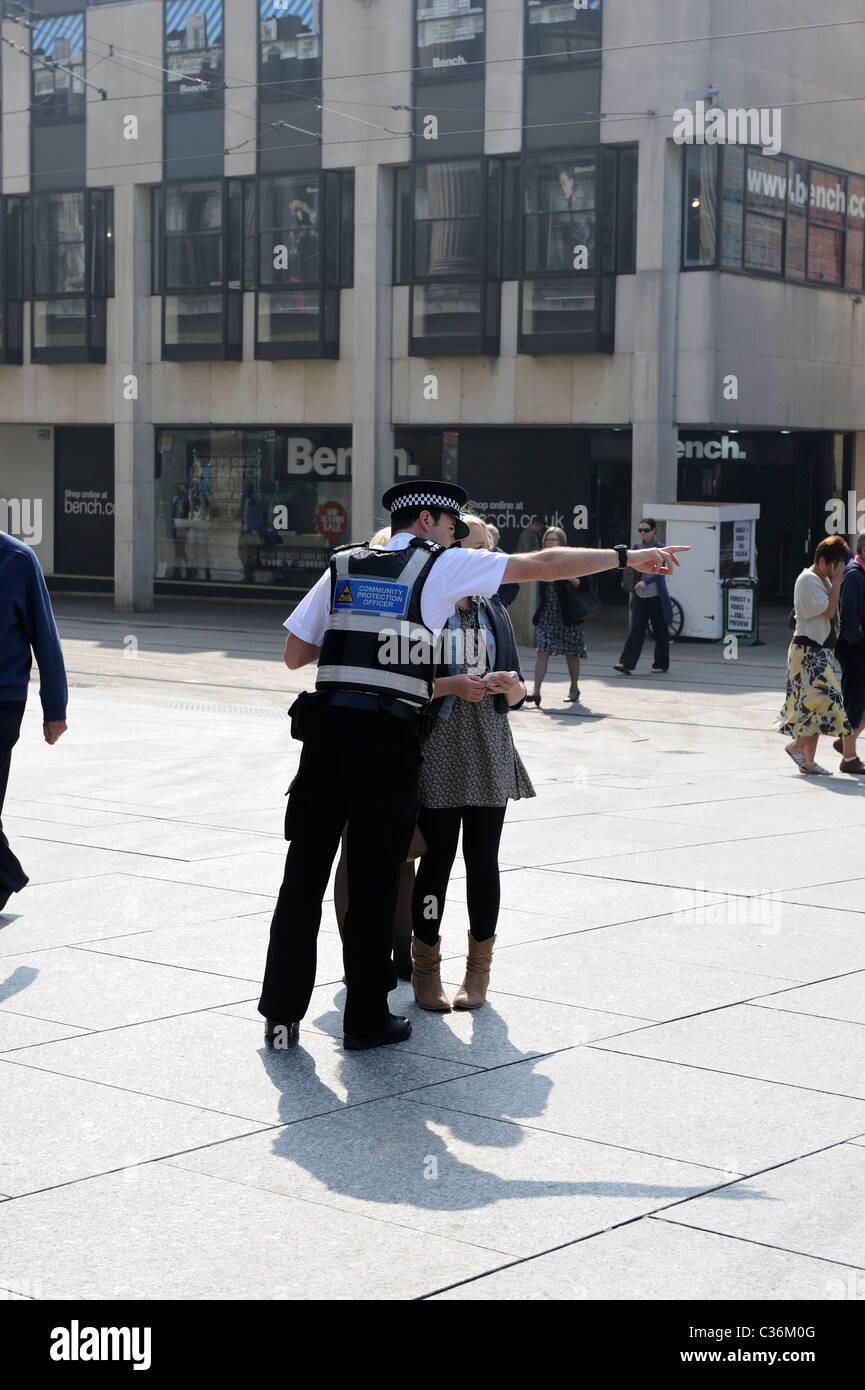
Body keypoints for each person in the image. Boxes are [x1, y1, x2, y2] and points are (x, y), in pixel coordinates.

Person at [257, 479, 688, 1051]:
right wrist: (627, 557)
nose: (457, 540)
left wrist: (360, 636)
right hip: (385, 743)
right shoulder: (440, 566)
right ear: (431, 521)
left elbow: (294, 655)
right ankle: (364, 1020)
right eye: (452, 529)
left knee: (303, 878)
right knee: (373, 882)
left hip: (326, 738)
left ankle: (283, 1019)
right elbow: (544, 564)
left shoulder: (343, 564)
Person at [411, 516, 534, 1013]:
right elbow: (403, 680)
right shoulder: (428, 604)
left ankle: (478, 972)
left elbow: (522, 693)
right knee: (436, 861)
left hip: (488, 741)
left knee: (483, 860)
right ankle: (425, 968)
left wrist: (511, 688)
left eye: (488, 552)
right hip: (439, 742)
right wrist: (451, 686)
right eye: (473, 550)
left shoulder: (495, 612)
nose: (482, 561)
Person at [0, 531, 68, 913]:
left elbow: (45, 636)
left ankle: (7, 876)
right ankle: (6, 877)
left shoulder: (17, 559)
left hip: (2, 703)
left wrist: (54, 708)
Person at [774, 535, 854, 776]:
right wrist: (838, 581)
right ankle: (796, 746)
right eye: (834, 564)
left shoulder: (822, 579)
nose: (836, 569)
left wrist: (834, 581)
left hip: (819, 652)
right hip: (808, 652)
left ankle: (808, 762)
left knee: (812, 710)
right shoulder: (808, 579)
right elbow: (830, 611)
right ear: (822, 560)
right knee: (825, 701)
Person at [525, 526, 588, 706]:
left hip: (568, 615)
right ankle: (536, 692)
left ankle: (574, 688)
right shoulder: (543, 560)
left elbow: (585, 586)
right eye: (547, 540)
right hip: (548, 613)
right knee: (542, 650)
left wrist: (568, 576)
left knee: (571, 653)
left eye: (554, 539)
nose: (550, 543)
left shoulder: (572, 560)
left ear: (562, 542)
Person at [614, 517, 673, 675]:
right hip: (640, 595)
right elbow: (630, 566)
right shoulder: (636, 547)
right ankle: (626, 664)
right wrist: (628, 582)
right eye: (640, 530)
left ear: (654, 530)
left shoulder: (660, 548)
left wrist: (645, 582)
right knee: (636, 630)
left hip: (656, 596)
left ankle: (661, 664)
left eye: (646, 530)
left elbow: (662, 571)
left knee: (660, 631)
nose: (642, 533)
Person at [833, 533, 865, 771]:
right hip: (855, 649)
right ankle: (849, 758)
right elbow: (849, 616)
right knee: (854, 704)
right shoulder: (854, 575)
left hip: (860, 647)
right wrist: (858, 639)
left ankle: (846, 742)